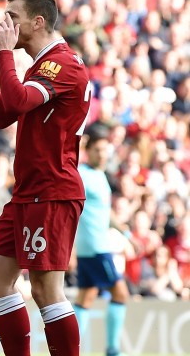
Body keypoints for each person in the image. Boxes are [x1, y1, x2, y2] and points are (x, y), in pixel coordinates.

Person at [0, 0, 91, 356]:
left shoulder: (63, 64)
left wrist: (5, 53)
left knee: (45, 290)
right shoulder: (40, 65)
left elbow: (19, 100)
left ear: (37, 21)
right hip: (28, 190)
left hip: (54, 189)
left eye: (13, 16)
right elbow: (2, 114)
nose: (5, 23)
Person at [74, 123, 128, 356]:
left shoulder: (99, 175)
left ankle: (70, 350)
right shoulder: (83, 175)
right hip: (96, 247)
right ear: (89, 150)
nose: (103, 154)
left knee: (86, 297)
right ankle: (113, 350)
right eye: (98, 150)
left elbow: (105, 213)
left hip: (92, 247)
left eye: (105, 150)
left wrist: (125, 233)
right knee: (120, 293)